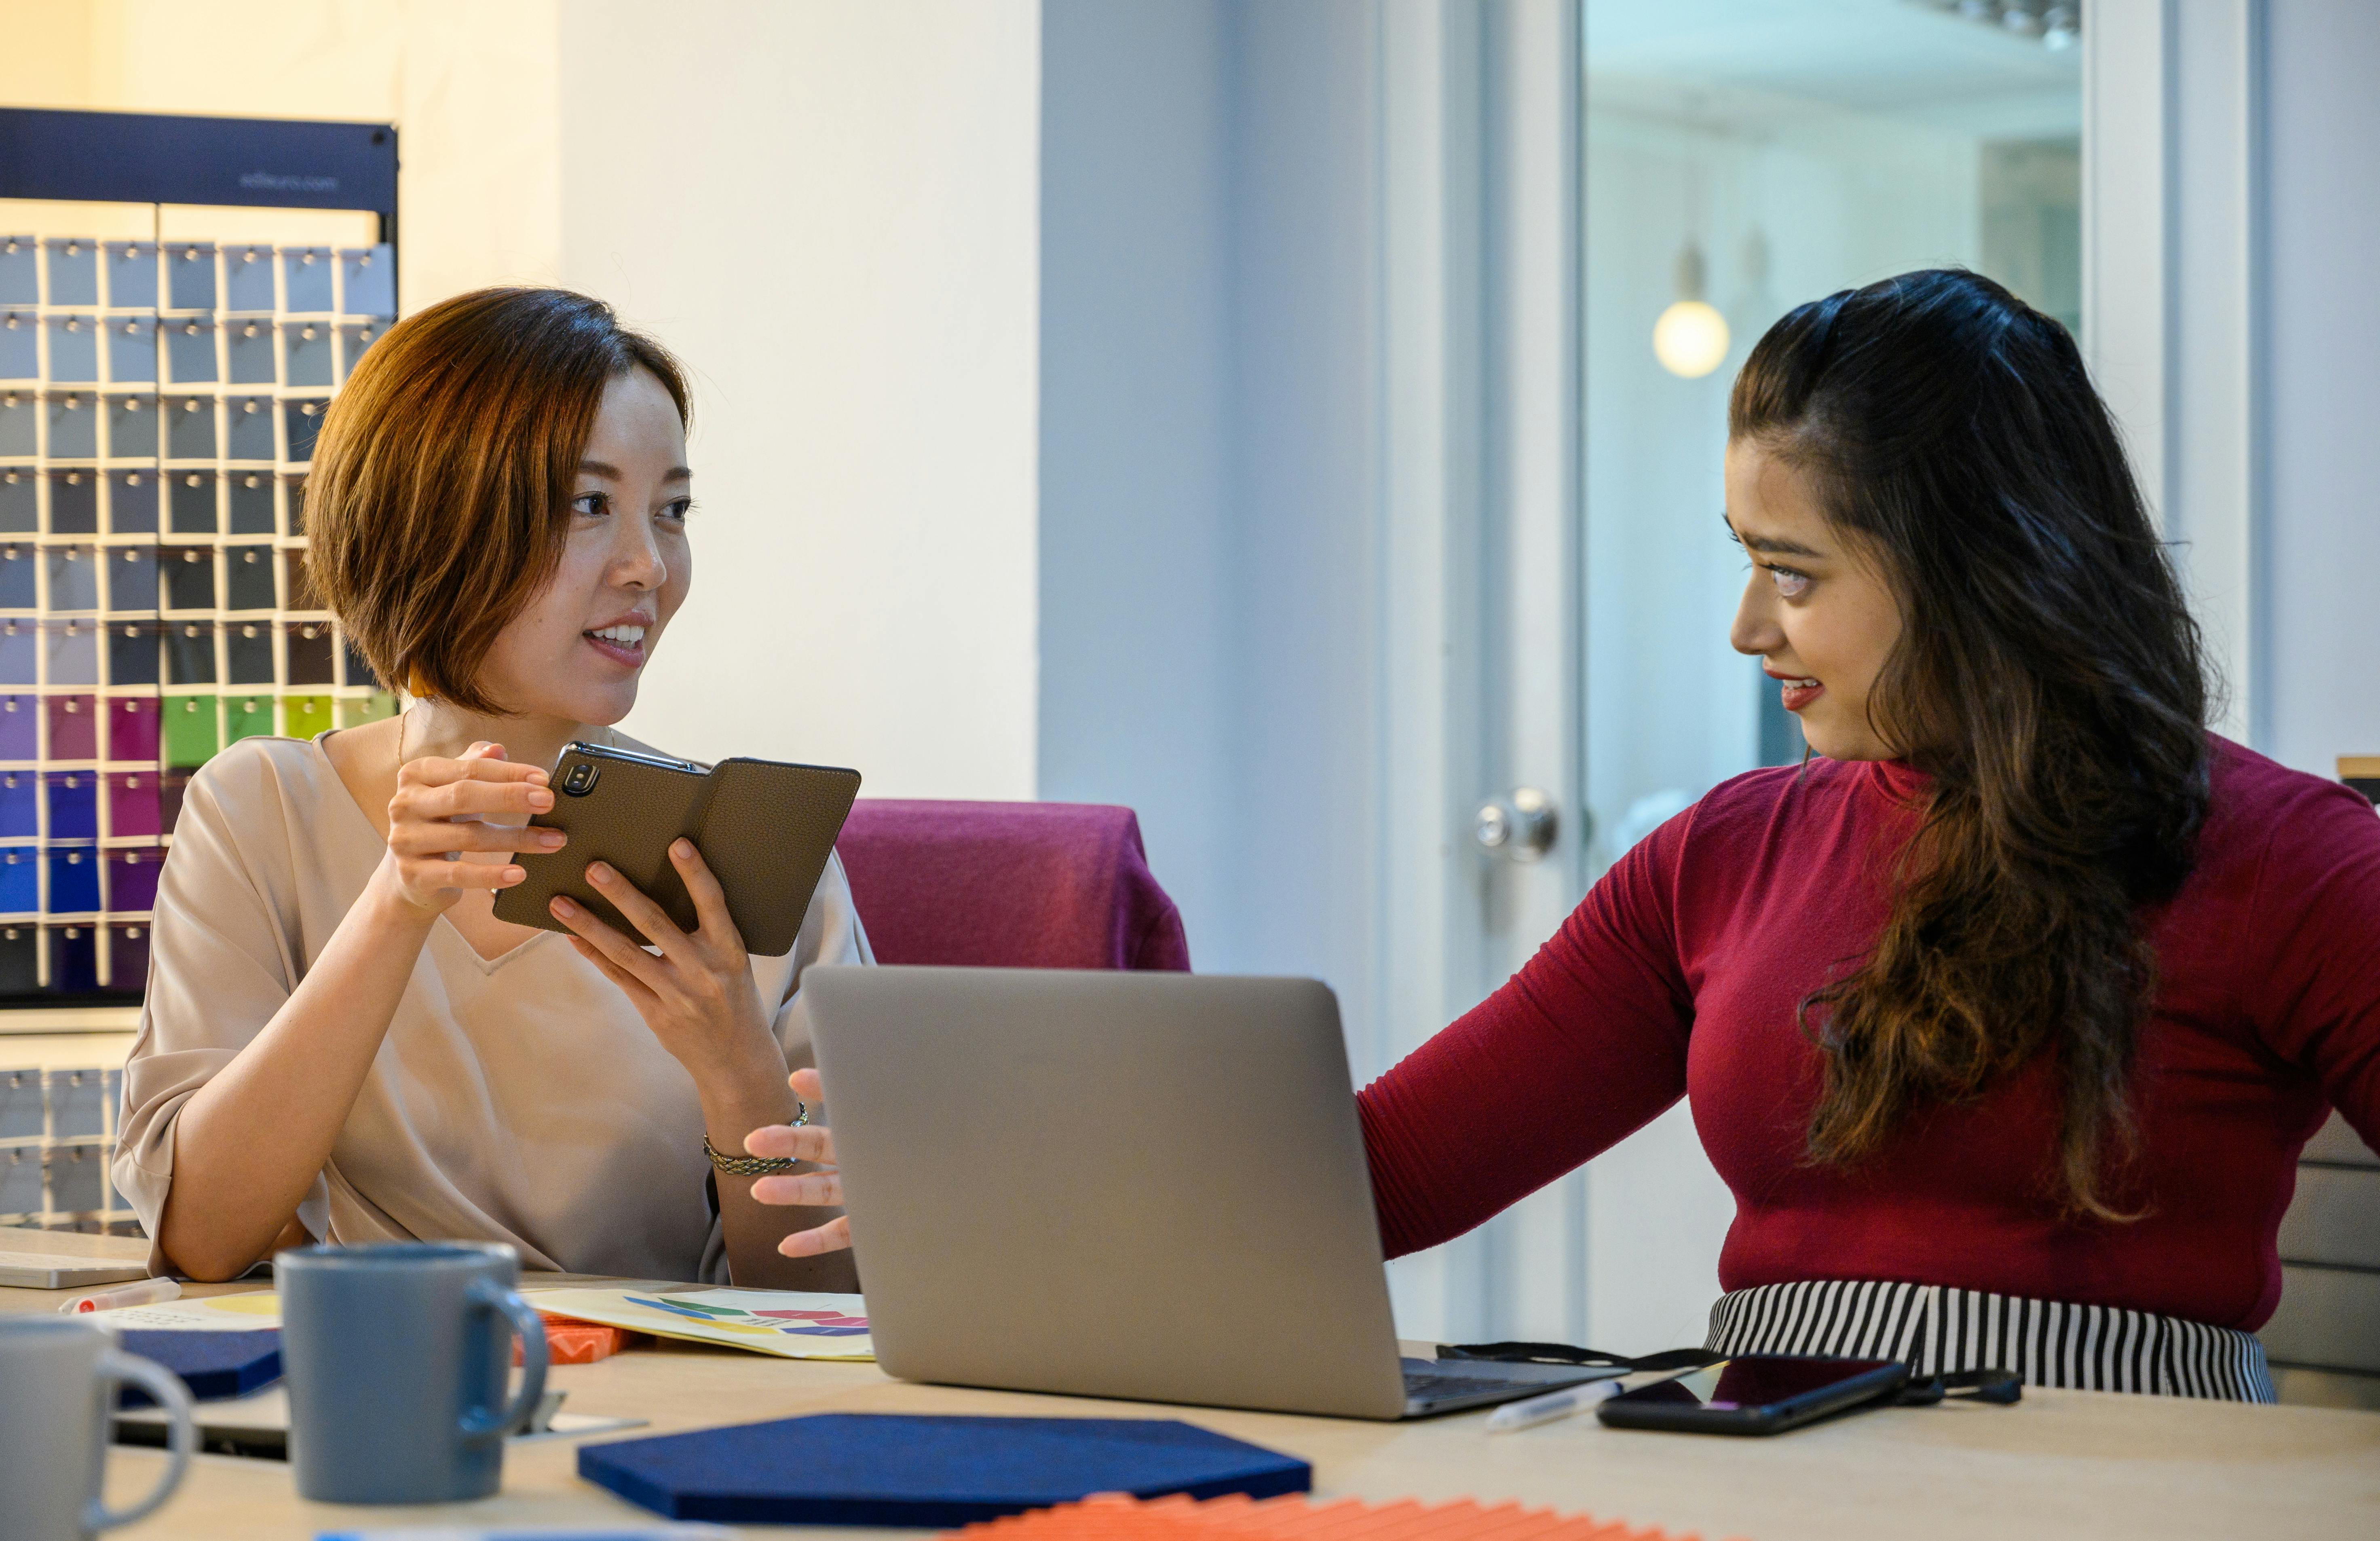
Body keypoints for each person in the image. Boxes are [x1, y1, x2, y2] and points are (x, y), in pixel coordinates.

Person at [743, 270, 2380, 1399]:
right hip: (1771, 1472)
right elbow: (1371, 1173)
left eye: (1794, 571)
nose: (1746, 625)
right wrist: (980, 1176)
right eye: (1741, 557)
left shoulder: (2294, 862)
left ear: (1983, 565)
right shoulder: (1721, 854)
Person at [114, 287, 866, 1287]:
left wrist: (737, 1073)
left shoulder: (762, 855)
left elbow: (826, 1305)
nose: (650, 565)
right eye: (590, 505)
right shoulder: (261, 811)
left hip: (677, 1416)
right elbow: (205, 1238)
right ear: (431, 519)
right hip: (382, 1392)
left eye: (672, 510)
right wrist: (397, 901)